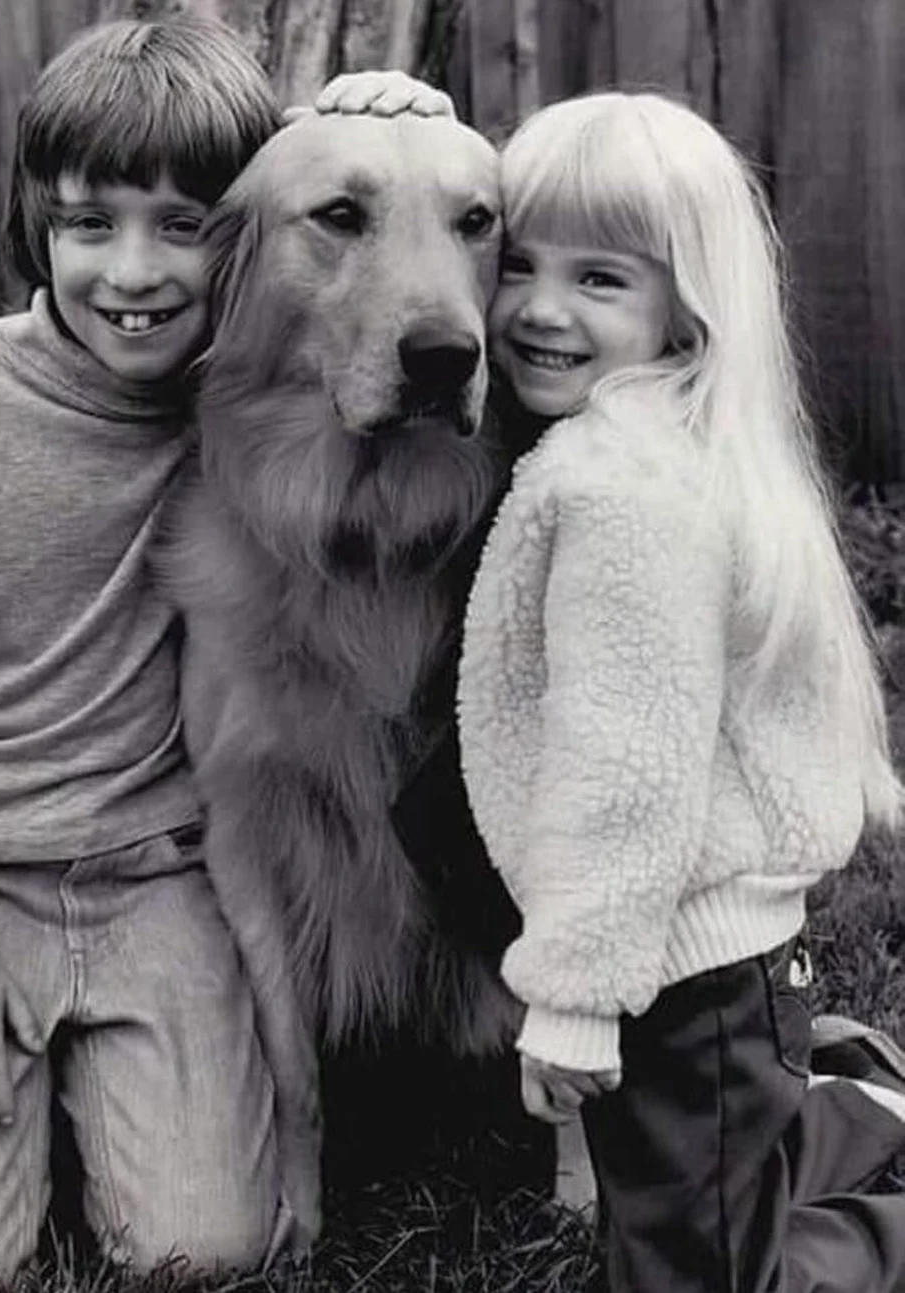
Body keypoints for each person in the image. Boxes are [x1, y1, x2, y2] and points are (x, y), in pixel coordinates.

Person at [0, 15, 448, 1282]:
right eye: (88, 224)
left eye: (185, 225)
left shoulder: (252, 404)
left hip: (160, 876)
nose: (136, 272)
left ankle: (106, 1083)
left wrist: (386, 111)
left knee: (207, 1247)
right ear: (33, 228)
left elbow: (390, 247)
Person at [456, 90, 905, 1292]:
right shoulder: (656, 434)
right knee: (689, 1179)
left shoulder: (623, 497)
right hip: (709, 962)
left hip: (680, 970)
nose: (539, 311)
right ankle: (837, 1095)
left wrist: (574, 1002)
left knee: (696, 1272)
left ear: (685, 311)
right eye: (521, 265)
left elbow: (628, 769)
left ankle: (867, 1217)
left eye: (601, 280)